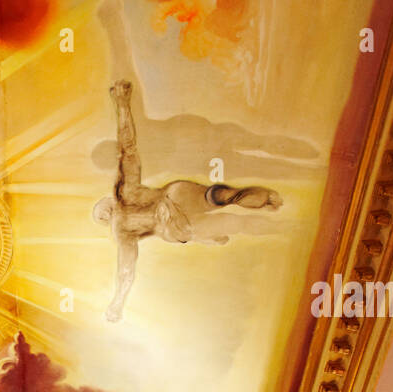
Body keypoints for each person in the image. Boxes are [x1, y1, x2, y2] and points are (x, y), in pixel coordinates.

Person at [96, 79, 283, 322]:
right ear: (109, 204)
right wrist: (122, 103)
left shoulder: (123, 231)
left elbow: (126, 271)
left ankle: (267, 218)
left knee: (235, 224)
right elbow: (128, 148)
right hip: (175, 199)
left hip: (176, 229)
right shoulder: (126, 194)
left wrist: (117, 304)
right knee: (223, 199)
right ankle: (258, 200)